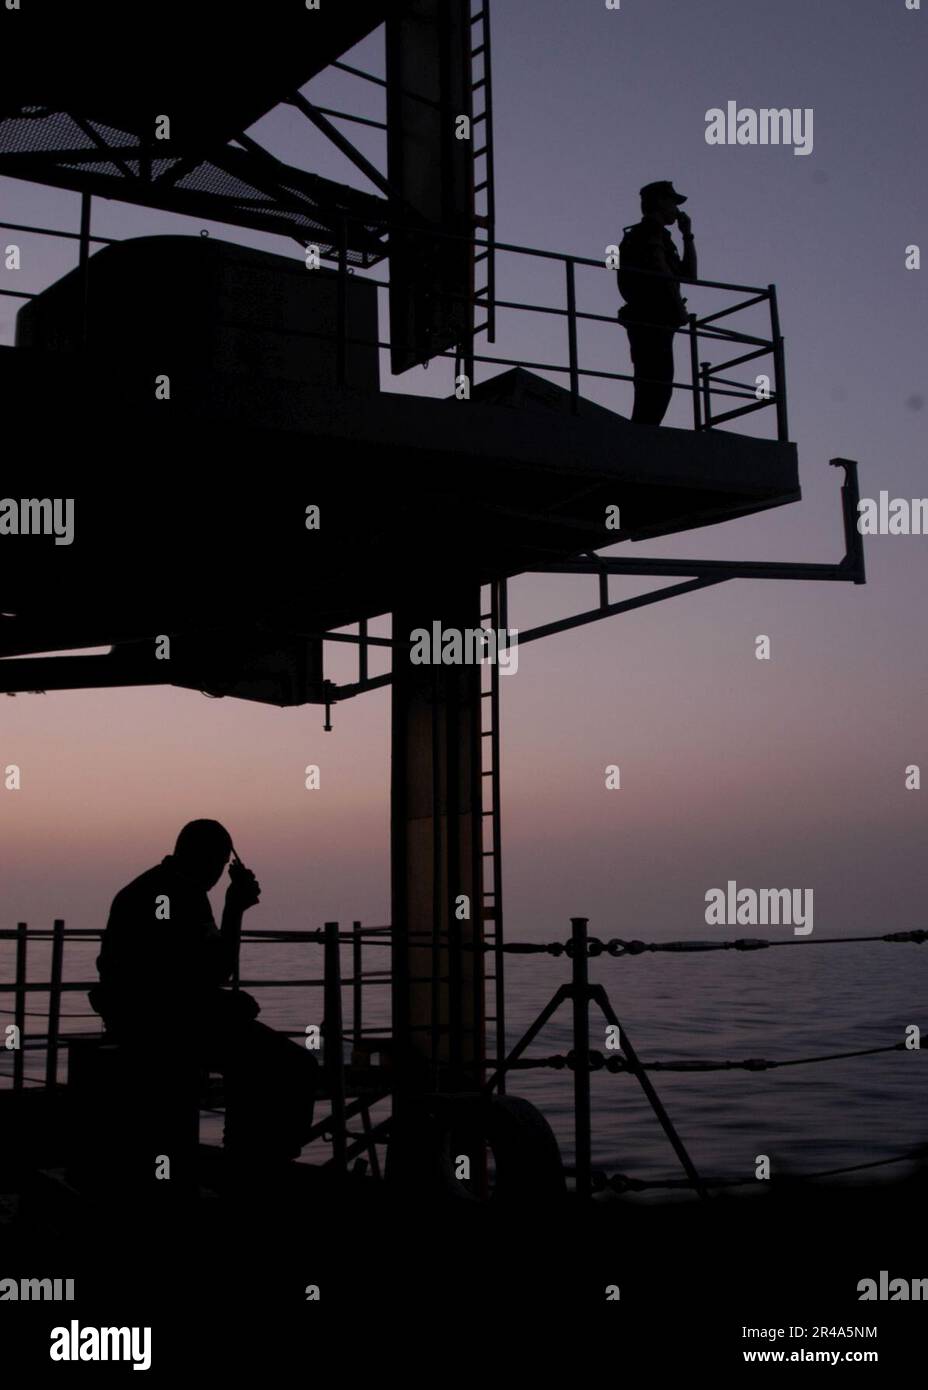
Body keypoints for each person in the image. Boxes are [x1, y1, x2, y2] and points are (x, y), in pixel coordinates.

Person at [89, 819, 318, 1166]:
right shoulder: (169, 896)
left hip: (157, 1018)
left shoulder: (174, 889)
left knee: (263, 1065)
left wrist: (232, 912)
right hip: (162, 1026)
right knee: (295, 1067)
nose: (219, 873)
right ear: (202, 857)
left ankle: (249, 1159)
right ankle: (262, 1163)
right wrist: (234, 912)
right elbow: (184, 979)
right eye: (219, 862)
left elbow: (193, 973)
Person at [617, 180, 697, 425]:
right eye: (672, 201)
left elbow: (689, 275)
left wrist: (687, 236)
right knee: (655, 383)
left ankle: (642, 432)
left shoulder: (661, 237)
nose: (676, 208)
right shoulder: (648, 234)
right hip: (650, 317)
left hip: (658, 318)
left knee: (656, 383)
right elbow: (661, 274)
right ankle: (641, 436)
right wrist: (678, 309)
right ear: (660, 202)